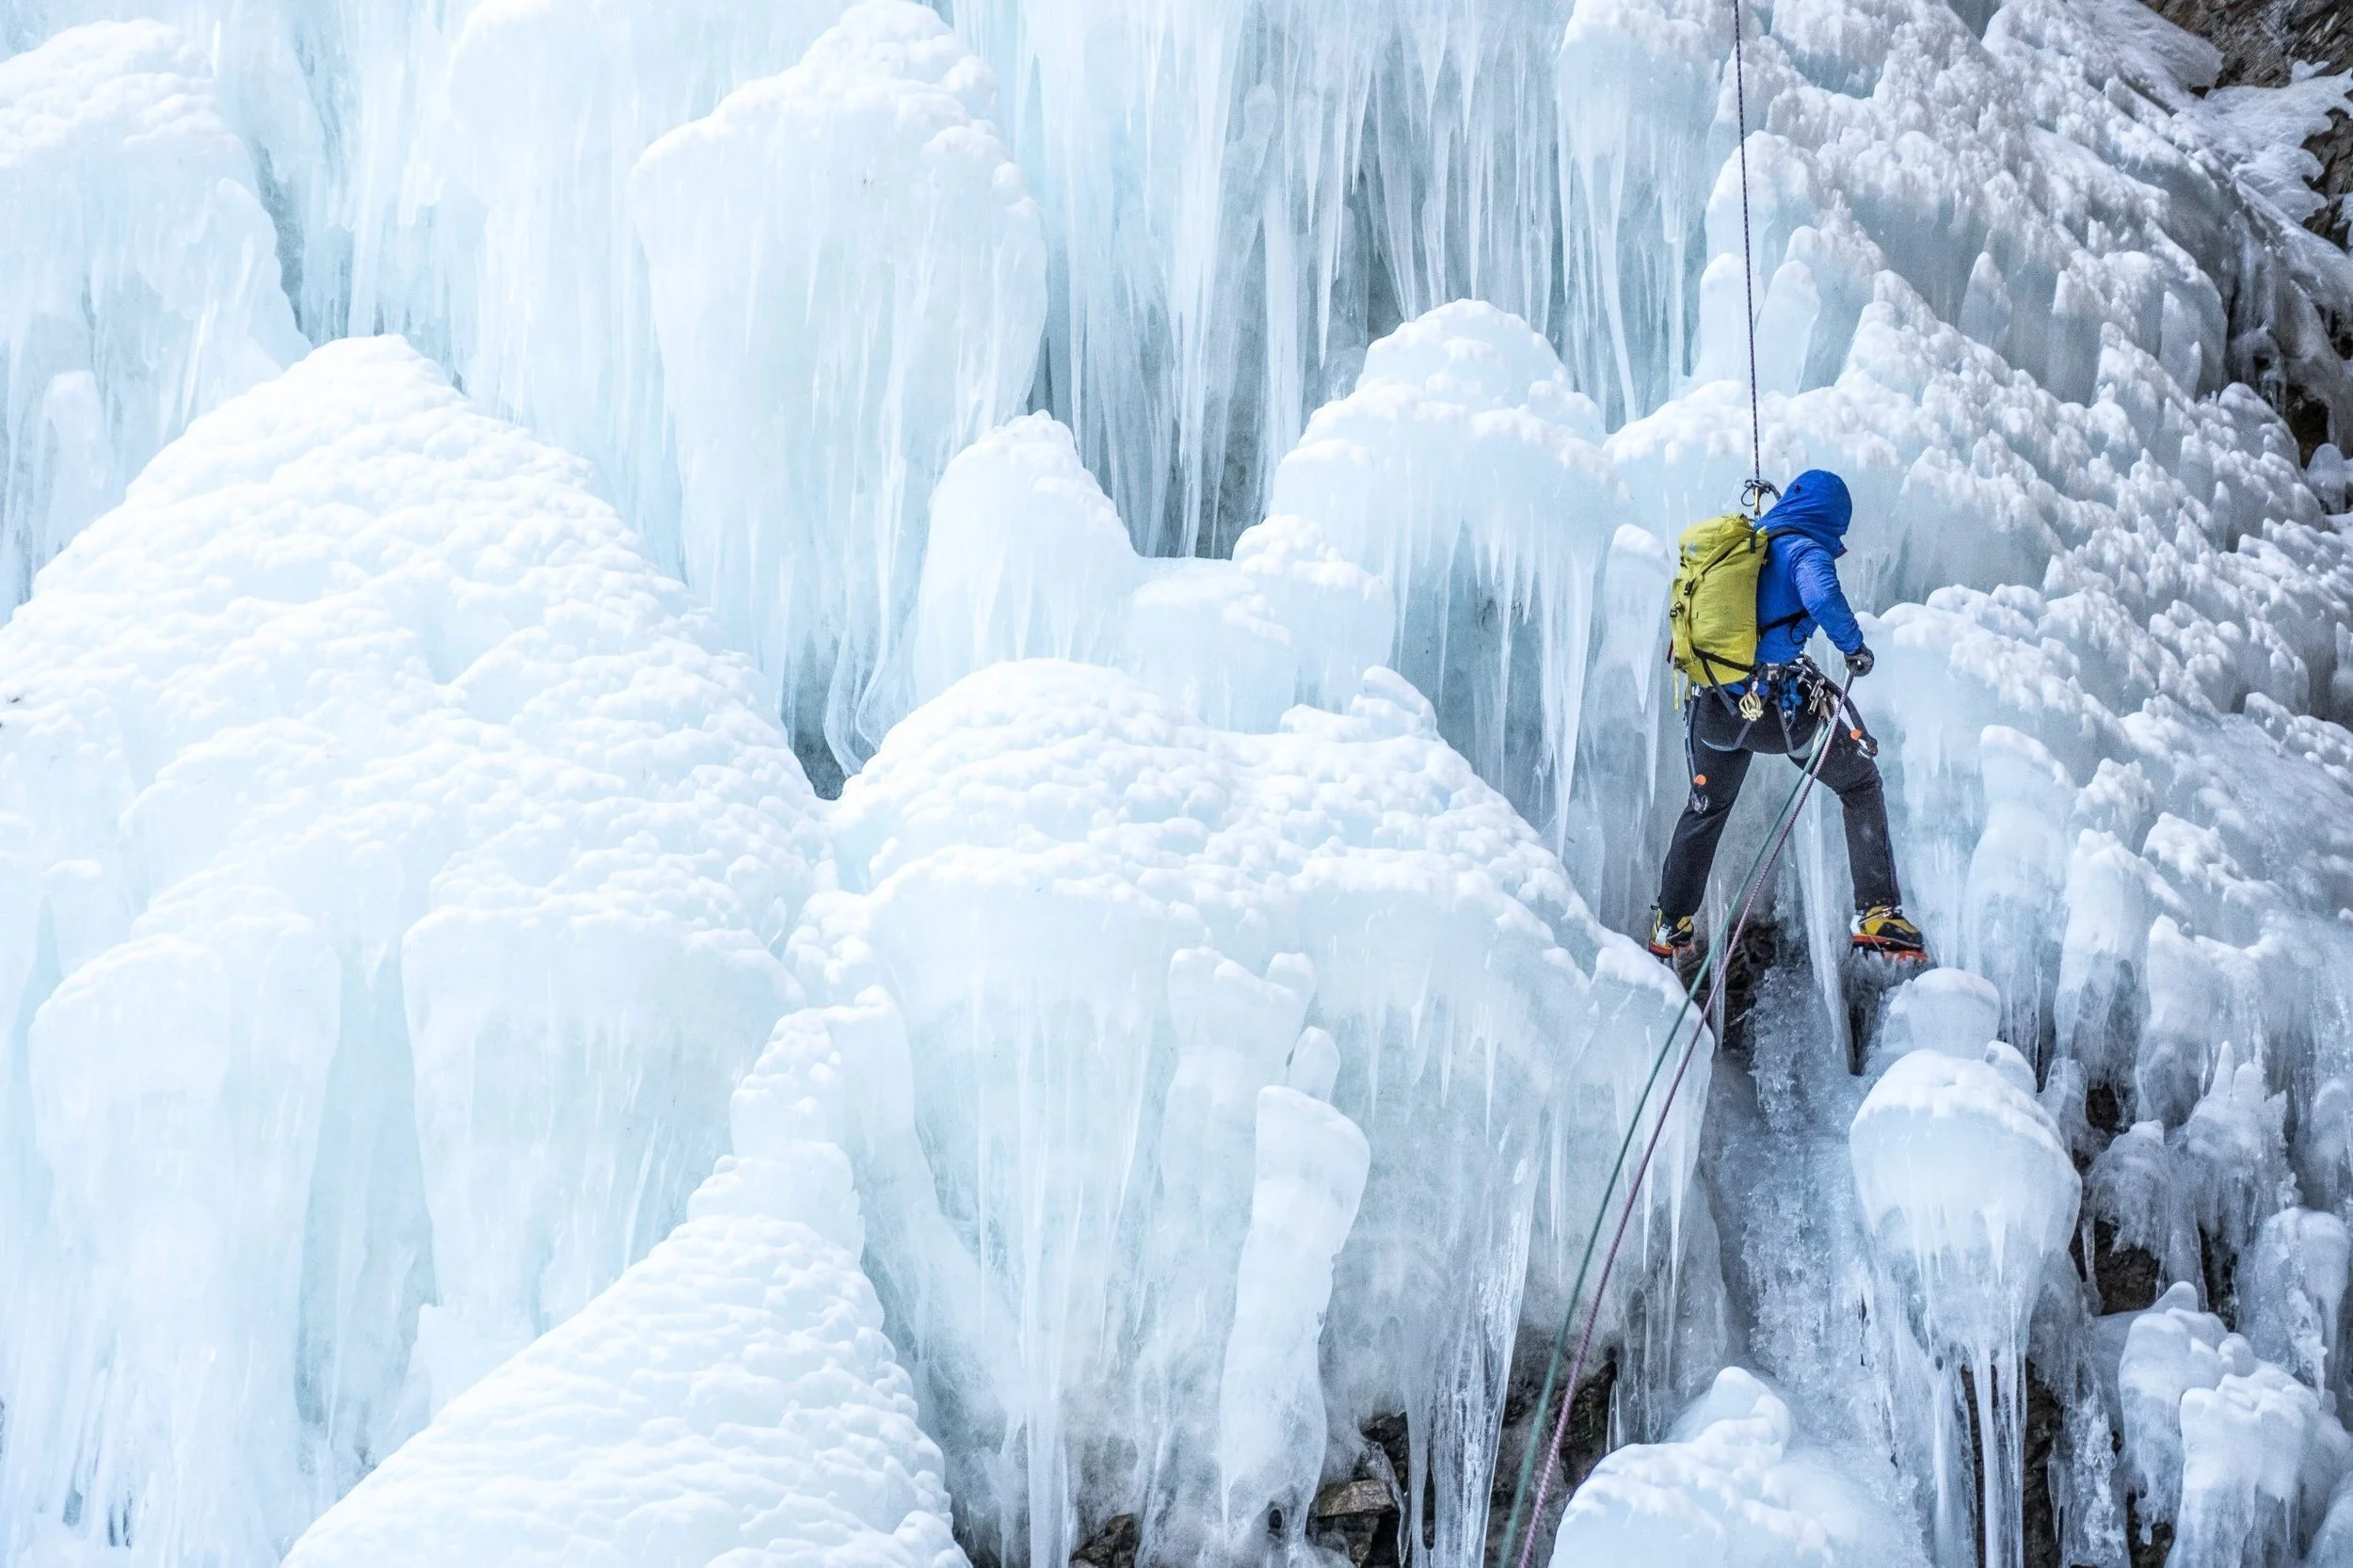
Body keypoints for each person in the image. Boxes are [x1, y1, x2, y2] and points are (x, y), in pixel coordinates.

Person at [1645, 469, 1927, 969]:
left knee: (1705, 809)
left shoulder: (1751, 545)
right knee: (1860, 782)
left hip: (1713, 710)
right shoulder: (1806, 551)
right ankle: (1877, 913)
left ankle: (1670, 924)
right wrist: (1853, 647)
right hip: (1778, 712)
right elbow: (1820, 596)